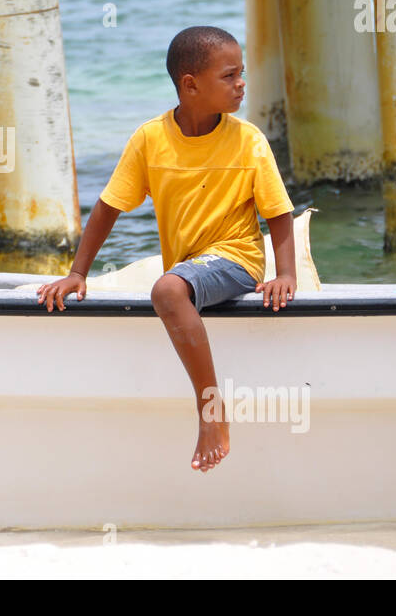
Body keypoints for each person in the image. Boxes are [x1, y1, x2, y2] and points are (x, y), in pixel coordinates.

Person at [35, 25, 296, 473]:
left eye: (242, 74)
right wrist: (77, 272)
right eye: (229, 76)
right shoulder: (150, 139)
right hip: (193, 265)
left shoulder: (249, 140)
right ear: (190, 85)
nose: (242, 85)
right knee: (174, 285)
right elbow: (107, 208)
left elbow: (278, 213)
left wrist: (286, 274)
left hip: (237, 259)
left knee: (167, 291)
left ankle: (211, 410)